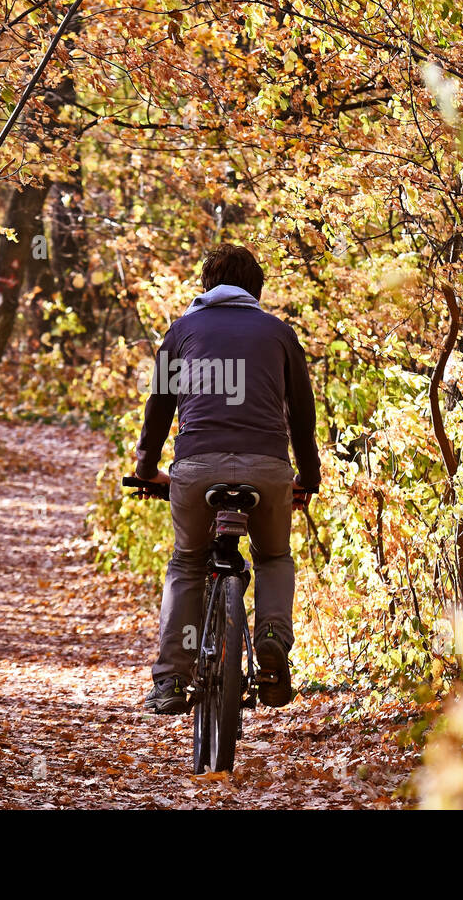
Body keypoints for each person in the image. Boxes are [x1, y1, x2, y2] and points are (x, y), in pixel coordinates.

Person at [133, 243, 321, 714]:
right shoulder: (279, 334)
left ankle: (173, 679)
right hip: (268, 468)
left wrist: (145, 469)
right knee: (274, 556)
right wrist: (308, 477)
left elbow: (159, 408)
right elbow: (302, 413)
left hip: (197, 468)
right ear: (255, 289)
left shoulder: (180, 333)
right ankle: (273, 643)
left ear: (206, 286)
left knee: (187, 563)